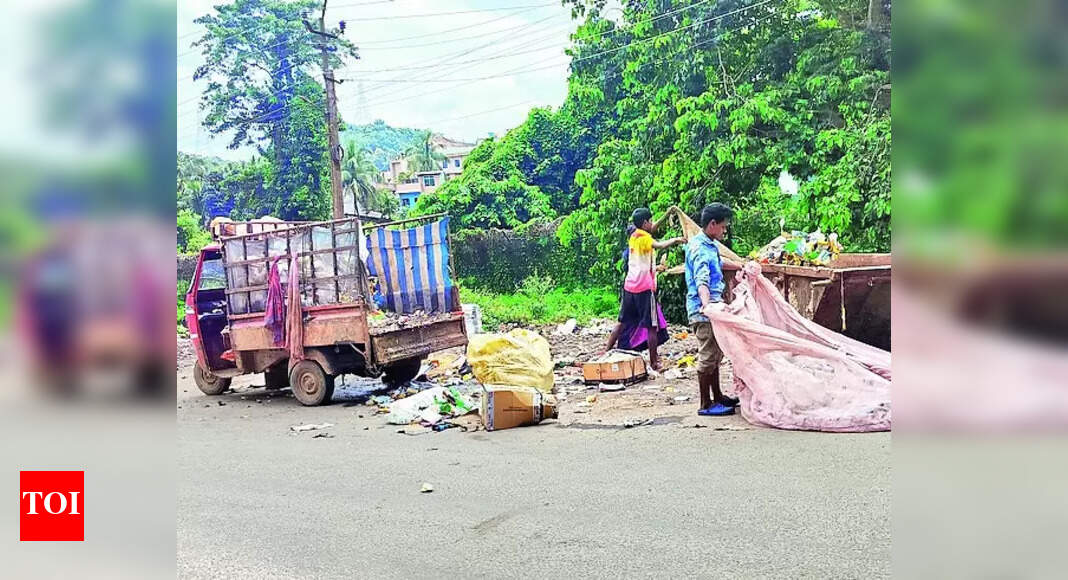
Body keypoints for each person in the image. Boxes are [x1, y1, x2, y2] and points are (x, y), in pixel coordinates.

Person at [611, 208, 684, 370]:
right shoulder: (646, 239)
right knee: (652, 326)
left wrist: (667, 214)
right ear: (645, 223)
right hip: (644, 288)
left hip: (629, 286)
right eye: (650, 221)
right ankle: (654, 362)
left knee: (622, 322)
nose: (652, 223)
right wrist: (676, 240)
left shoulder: (634, 236)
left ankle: (606, 351)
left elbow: (653, 229)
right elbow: (660, 245)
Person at [685, 202, 739, 416]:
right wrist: (707, 306)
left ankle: (718, 396)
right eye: (723, 227)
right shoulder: (699, 249)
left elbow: (719, 262)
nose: (725, 230)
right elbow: (702, 280)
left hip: (713, 307)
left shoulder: (708, 244)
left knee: (715, 355)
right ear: (712, 224)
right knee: (707, 356)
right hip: (703, 311)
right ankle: (705, 404)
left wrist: (741, 265)